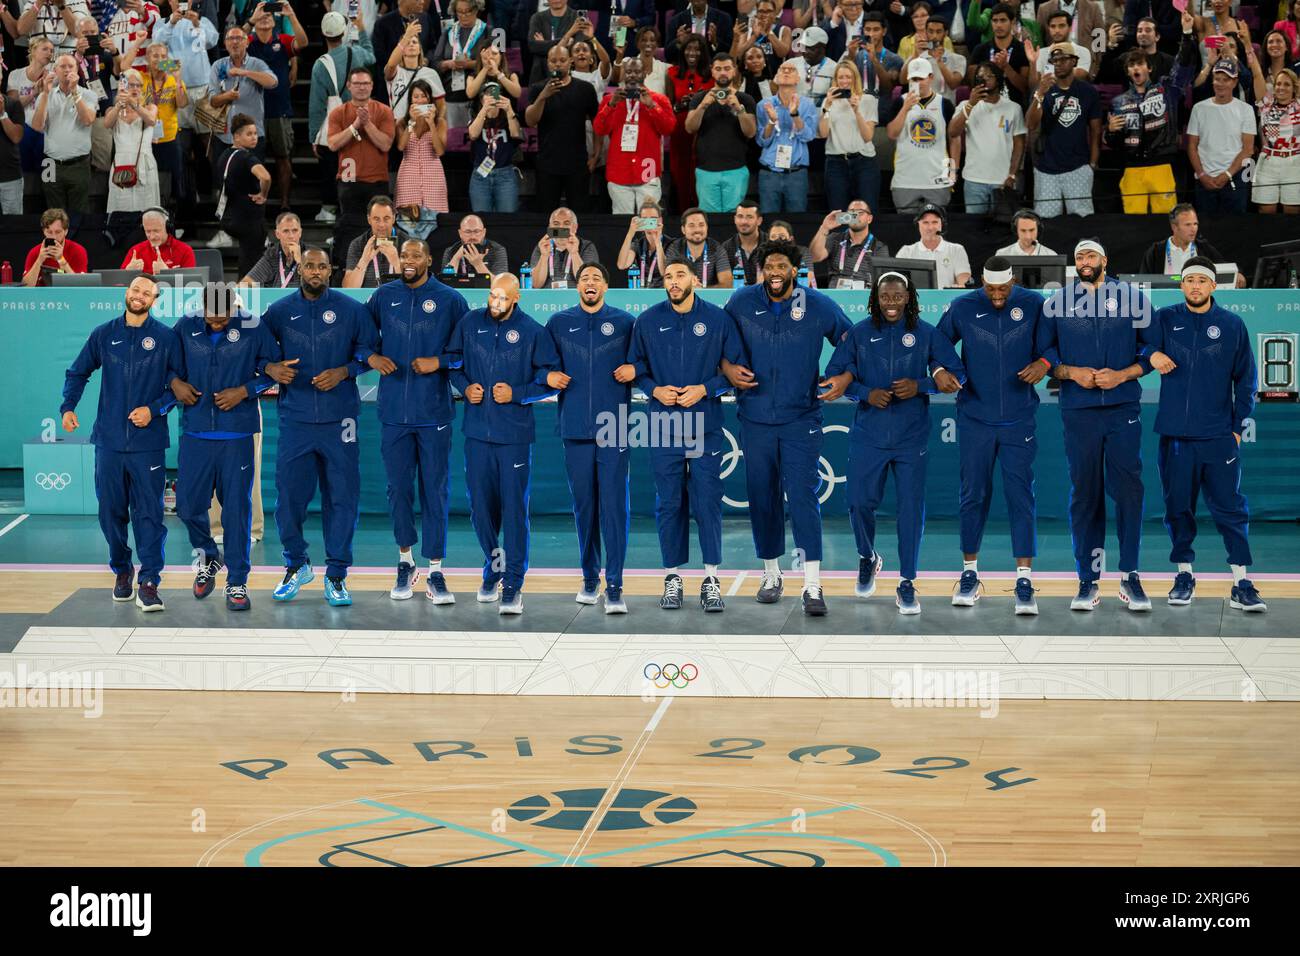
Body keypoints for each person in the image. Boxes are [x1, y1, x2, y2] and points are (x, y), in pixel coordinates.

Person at [721, 237, 854, 615]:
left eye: (783, 266)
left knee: (802, 498)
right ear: (761, 269)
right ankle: (771, 573)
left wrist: (841, 377)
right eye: (770, 266)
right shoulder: (742, 301)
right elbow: (719, 344)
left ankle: (812, 584)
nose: (776, 273)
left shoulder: (816, 304)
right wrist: (728, 369)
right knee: (762, 497)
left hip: (801, 418)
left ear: (795, 270)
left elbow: (849, 339)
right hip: (755, 417)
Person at [823, 270, 964, 614]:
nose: (891, 303)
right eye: (885, 297)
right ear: (875, 299)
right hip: (868, 436)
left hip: (910, 437)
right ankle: (867, 556)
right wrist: (863, 393)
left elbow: (957, 374)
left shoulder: (926, 334)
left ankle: (907, 583)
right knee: (858, 502)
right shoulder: (858, 334)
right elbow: (832, 378)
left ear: (908, 298)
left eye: (897, 297)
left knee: (910, 510)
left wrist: (922, 385)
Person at [1143, 256, 1265, 612]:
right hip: (1176, 437)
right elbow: (1139, 346)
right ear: (1182, 285)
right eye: (1189, 280)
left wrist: (1237, 428)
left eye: (1202, 281)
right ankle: (1184, 575)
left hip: (1217, 437)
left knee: (1230, 509)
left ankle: (1241, 581)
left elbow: (1246, 381)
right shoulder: (1165, 319)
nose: (1195, 286)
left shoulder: (1231, 325)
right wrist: (1151, 354)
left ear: (1214, 286)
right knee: (1178, 508)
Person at [626, 257, 746, 613]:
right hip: (663, 426)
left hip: (704, 426)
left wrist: (705, 389)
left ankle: (711, 579)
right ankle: (672, 577)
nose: (674, 282)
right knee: (669, 503)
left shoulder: (718, 319)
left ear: (695, 278)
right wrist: (653, 390)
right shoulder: (647, 321)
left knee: (707, 501)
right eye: (668, 277)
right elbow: (637, 369)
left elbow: (735, 371)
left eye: (680, 275)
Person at [1040, 239, 1154, 612]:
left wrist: (1121, 376)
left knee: (1129, 491)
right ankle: (1088, 581)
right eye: (1078, 258)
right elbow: (1045, 354)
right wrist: (1070, 372)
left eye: (1090, 256)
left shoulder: (1133, 298)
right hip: (1079, 409)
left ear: (1105, 260)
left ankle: (1129, 576)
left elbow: (1150, 352)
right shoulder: (1057, 301)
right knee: (1085, 493)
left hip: (1122, 409)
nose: (1084, 262)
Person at [262, 247, 380, 607]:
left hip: (340, 419)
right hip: (295, 418)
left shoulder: (351, 310)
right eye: (309, 265)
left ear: (331, 270)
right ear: (300, 269)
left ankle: (337, 574)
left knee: (341, 498)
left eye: (322, 266)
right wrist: (271, 370)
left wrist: (344, 372)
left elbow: (370, 351)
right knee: (288, 501)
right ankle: (296, 564)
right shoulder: (279, 312)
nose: (315, 271)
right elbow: (259, 353)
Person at [937, 256, 1050, 615]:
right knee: (973, 495)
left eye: (1003, 289)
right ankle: (970, 574)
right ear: (981, 283)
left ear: (1013, 281)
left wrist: (1045, 363)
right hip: (975, 417)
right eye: (990, 289)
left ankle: (1024, 580)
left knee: (1021, 496)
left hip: (1019, 418)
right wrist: (945, 370)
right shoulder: (963, 306)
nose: (997, 295)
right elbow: (937, 342)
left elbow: (1056, 343)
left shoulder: (1034, 303)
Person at [60, 275, 180, 612]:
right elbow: (77, 372)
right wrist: (68, 406)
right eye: (135, 289)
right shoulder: (104, 334)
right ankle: (123, 570)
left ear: (154, 299)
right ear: (127, 293)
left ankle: (150, 581)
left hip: (149, 444)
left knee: (150, 515)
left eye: (147, 292)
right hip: (109, 443)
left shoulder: (166, 338)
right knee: (110, 514)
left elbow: (180, 387)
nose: (139, 295)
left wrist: (154, 409)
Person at [448, 273, 561, 614]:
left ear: (516, 299)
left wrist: (518, 395)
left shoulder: (533, 332)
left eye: (502, 297)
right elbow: (452, 362)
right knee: (481, 510)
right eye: (491, 296)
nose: (495, 303)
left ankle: (513, 582)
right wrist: (465, 387)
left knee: (514, 510)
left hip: (514, 437)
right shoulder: (469, 323)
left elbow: (551, 381)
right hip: (476, 435)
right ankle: (492, 566)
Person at [364, 238, 469, 604]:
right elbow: (361, 339)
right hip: (393, 413)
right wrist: (371, 358)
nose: (408, 261)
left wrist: (438, 363)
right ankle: (405, 562)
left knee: (435, 491)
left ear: (429, 259)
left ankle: (436, 570)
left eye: (415, 255)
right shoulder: (383, 296)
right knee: (398, 490)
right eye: (404, 255)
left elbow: (463, 351)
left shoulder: (451, 300)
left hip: (434, 413)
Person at [167, 292, 280, 612]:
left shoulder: (253, 327)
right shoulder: (186, 327)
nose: (216, 322)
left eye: (222, 317)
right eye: (211, 317)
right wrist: (174, 382)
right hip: (196, 432)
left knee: (236, 511)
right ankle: (208, 555)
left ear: (234, 308)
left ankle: (237, 582)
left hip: (238, 433)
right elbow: (166, 365)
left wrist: (243, 391)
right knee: (187, 506)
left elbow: (272, 369)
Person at [543, 262, 638, 612]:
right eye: (584, 278)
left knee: (614, 508)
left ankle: (614, 585)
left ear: (606, 287)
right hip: (575, 429)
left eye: (596, 278)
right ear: (577, 287)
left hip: (614, 429)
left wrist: (635, 369)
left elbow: (644, 362)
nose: (590, 283)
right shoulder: (558, 323)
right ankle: (589, 579)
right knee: (585, 508)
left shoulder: (626, 323)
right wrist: (550, 377)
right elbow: (542, 366)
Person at [1105, 10, 1198, 214]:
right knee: (1133, 226)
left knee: (1166, 223)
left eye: (1140, 64)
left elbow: (1183, 67)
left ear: (1149, 68)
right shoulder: (1119, 102)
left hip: (1162, 166)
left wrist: (1187, 32)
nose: (1136, 68)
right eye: (1131, 65)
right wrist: (1110, 131)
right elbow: (1113, 143)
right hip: (1131, 169)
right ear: (1127, 71)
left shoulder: (1166, 91)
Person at [308, 10, 376, 226]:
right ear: (344, 32)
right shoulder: (356, 53)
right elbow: (371, 56)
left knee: (330, 168)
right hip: (358, 118)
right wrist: (363, 28)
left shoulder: (320, 64)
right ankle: (351, 211)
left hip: (333, 124)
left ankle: (328, 209)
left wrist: (313, 135)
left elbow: (317, 104)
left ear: (324, 34)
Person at [326, 67, 396, 266]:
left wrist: (367, 124)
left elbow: (385, 144)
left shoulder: (384, 111)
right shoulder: (339, 113)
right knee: (349, 228)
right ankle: (347, 268)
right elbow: (332, 144)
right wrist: (355, 125)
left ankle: (382, 267)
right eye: (357, 83)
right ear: (349, 86)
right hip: (349, 182)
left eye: (366, 83)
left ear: (372, 86)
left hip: (377, 182)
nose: (361, 87)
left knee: (380, 227)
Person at [1026, 44, 1102, 217]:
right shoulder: (1043, 89)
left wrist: (1092, 163)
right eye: (1054, 60)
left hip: (1078, 167)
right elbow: (1030, 124)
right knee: (1046, 222)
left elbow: (1095, 130)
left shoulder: (1088, 92)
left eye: (1063, 59)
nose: (1058, 63)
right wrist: (1040, 93)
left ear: (1074, 61)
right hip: (1046, 168)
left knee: (1082, 220)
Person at [594, 55, 676, 213]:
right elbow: (599, 129)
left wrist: (652, 106)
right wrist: (611, 105)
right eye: (629, 71)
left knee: (649, 224)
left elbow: (669, 129)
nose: (632, 75)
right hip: (619, 173)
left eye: (637, 71)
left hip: (648, 172)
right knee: (622, 225)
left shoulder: (659, 99)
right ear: (623, 73)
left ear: (644, 73)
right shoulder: (610, 100)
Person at [525, 44, 599, 213]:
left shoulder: (585, 88)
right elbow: (530, 120)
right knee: (546, 214)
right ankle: (549, 241)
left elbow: (597, 124)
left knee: (579, 214)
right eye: (553, 61)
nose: (557, 64)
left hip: (577, 164)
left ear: (570, 62)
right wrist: (543, 97)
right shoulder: (538, 88)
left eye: (562, 60)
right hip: (548, 163)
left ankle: (578, 241)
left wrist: (596, 154)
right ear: (548, 63)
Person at [247, 2, 306, 213]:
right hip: (253, 111)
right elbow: (234, 42)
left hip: (279, 108)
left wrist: (291, 15)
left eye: (269, 14)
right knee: (254, 160)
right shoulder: (249, 41)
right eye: (261, 14)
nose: (265, 17)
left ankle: (284, 202)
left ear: (275, 21)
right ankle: (255, 201)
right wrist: (252, 19)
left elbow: (303, 42)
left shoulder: (282, 40)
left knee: (283, 157)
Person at [684, 52, 757, 214]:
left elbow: (751, 132)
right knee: (709, 218)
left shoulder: (745, 99)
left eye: (727, 68)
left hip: (736, 170)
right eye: (718, 68)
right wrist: (703, 106)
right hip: (706, 170)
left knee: (735, 218)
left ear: (734, 71)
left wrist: (739, 109)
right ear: (712, 71)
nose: (723, 72)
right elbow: (690, 127)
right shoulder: (699, 98)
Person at [949, 62, 1024, 215]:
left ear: (999, 79)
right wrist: (970, 104)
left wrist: (1012, 174)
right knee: (973, 229)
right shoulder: (966, 105)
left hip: (1002, 181)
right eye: (980, 77)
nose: (985, 80)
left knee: (1003, 228)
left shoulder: (1013, 108)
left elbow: (1019, 143)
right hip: (974, 180)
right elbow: (953, 132)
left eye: (989, 76)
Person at [887, 59, 957, 213]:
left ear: (931, 77)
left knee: (936, 226)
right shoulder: (900, 102)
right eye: (914, 79)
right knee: (905, 229)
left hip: (937, 179)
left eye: (921, 78)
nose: (918, 83)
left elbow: (954, 139)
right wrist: (905, 108)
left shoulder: (944, 104)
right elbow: (892, 134)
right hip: (905, 179)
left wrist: (953, 170)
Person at [31, 53, 96, 212]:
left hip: (79, 163)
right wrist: (45, 94)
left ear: (77, 70)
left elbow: (87, 120)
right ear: (55, 71)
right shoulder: (44, 96)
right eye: (62, 66)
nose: (67, 70)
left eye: (71, 66)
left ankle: (73, 238)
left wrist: (75, 92)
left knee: (79, 212)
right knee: (53, 211)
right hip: (50, 163)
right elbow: (37, 127)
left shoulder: (89, 95)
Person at [819, 59, 880, 214]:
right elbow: (823, 133)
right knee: (839, 214)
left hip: (864, 162)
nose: (845, 81)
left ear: (855, 78)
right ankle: (842, 239)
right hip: (836, 163)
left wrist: (856, 110)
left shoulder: (868, 100)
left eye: (848, 77)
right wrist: (827, 108)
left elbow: (868, 136)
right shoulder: (829, 102)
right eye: (841, 77)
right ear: (835, 80)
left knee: (866, 212)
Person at [755, 60, 817, 213]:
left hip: (796, 174)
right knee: (768, 221)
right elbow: (762, 141)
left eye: (791, 70)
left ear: (798, 79)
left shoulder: (808, 104)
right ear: (775, 78)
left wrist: (795, 115)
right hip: (769, 174)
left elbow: (808, 136)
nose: (787, 72)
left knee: (797, 221)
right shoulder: (764, 105)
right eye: (783, 69)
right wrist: (771, 121)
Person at [215, 113, 272, 277]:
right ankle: (247, 298)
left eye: (255, 133)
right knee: (251, 266)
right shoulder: (247, 157)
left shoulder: (225, 155)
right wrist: (263, 194)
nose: (254, 137)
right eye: (249, 134)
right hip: (248, 219)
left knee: (247, 259)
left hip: (228, 216)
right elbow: (265, 177)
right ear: (236, 136)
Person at [394, 79, 449, 240]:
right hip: (408, 176)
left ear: (429, 100)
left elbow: (439, 150)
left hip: (433, 175)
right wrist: (411, 122)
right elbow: (401, 147)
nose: (419, 100)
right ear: (410, 101)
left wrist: (431, 124)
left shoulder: (440, 122)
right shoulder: (402, 123)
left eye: (423, 96)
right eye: (415, 97)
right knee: (407, 221)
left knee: (434, 225)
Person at [666, 33, 713, 212]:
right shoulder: (672, 73)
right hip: (680, 132)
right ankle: (683, 214)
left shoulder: (711, 75)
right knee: (681, 176)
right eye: (688, 48)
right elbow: (669, 105)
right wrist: (680, 104)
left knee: (700, 174)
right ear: (683, 51)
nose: (692, 53)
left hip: (704, 131)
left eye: (697, 49)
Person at [139, 41, 188, 212]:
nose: (159, 59)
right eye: (155, 56)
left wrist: (178, 79)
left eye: (163, 56)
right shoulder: (141, 80)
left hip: (169, 138)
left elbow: (182, 104)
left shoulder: (174, 80)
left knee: (175, 182)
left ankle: (175, 220)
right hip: (145, 139)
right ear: (147, 58)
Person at [1136, 204, 1239, 281]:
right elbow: (1143, 280)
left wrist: (1239, 274)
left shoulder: (1203, 248)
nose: (1193, 229)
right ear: (1174, 227)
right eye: (1188, 225)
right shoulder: (1156, 251)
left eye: (1195, 224)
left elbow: (1225, 267)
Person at [430, 0, 491, 128]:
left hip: (480, 95)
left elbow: (498, 62)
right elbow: (435, 63)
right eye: (459, 12)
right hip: (451, 94)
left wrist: (469, 64)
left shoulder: (490, 31)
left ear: (476, 10)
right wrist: (448, 64)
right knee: (454, 140)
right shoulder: (448, 32)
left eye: (467, 11)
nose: (463, 16)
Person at [466, 78, 523, 214]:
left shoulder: (510, 117)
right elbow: (473, 134)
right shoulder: (477, 117)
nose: (492, 96)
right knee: (481, 218)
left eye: (495, 93)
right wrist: (485, 109)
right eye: (487, 94)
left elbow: (516, 133)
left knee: (506, 219)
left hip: (505, 175)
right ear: (481, 99)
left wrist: (509, 110)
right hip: (480, 175)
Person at [1250, 66, 1300, 214]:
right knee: (1266, 212)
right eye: (1278, 84)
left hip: (1295, 163)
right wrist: (1248, 46)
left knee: (1292, 214)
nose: (1281, 87)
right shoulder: (1266, 104)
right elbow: (1257, 74)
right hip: (1268, 163)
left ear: (1293, 88)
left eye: (1286, 84)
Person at [811, 200, 891, 289]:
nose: (855, 216)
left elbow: (884, 282)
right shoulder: (835, 238)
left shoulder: (879, 247)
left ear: (869, 218)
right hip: (835, 297)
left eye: (860, 212)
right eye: (851, 213)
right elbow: (815, 256)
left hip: (862, 298)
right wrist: (824, 227)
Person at [372, 0, 440, 101]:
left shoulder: (425, 18)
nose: (422, 2)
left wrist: (426, 59)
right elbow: (379, 54)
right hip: (393, 85)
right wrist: (404, 64)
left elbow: (433, 47)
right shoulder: (383, 23)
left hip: (421, 86)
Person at [384, 21, 447, 124]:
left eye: (414, 42)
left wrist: (438, 123)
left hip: (424, 125)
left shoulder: (431, 73)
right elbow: (390, 65)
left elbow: (441, 104)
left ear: (419, 49)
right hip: (399, 124)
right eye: (407, 43)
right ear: (401, 50)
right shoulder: (395, 71)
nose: (411, 45)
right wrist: (407, 36)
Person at [967, 3, 1030, 104]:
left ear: (1012, 22)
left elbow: (1025, 88)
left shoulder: (1022, 50)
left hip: (1015, 107)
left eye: (1003, 20)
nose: (998, 25)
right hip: (985, 105)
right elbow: (972, 83)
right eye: (995, 21)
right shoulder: (980, 50)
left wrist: (1006, 67)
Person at [896, 203, 971, 288]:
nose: (930, 227)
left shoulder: (957, 249)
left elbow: (964, 278)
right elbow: (898, 282)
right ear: (918, 225)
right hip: (916, 300)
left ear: (942, 224)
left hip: (947, 300)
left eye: (935, 222)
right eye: (925, 222)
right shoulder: (906, 252)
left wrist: (962, 284)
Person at [344, 195, 409, 289]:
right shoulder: (357, 244)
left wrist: (396, 264)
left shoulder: (407, 244)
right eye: (376, 219)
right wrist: (364, 261)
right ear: (369, 219)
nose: (381, 225)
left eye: (386, 218)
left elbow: (414, 288)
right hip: (368, 300)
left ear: (394, 218)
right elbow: (348, 289)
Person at [530, 207, 600, 288]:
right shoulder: (542, 247)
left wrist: (574, 253)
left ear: (575, 228)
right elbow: (536, 285)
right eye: (556, 224)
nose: (561, 228)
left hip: (576, 297)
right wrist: (544, 256)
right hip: (548, 297)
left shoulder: (587, 246)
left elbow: (589, 283)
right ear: (550, 228)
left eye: (566, 224)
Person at [666, 208, 734, 289]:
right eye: (692, 225)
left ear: (707, 227)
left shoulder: (717, 249)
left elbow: (727, 284)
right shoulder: (675, 248)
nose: (697, 230)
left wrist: (702, 290)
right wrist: (689, 289)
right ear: (683, 230)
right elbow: (668, 282)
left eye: (701, 225)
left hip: (709, 298)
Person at [22, 208, 88, 287]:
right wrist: (39, 260)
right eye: (49, 232)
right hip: (43, 297)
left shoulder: (78, 251)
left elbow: (80, 287)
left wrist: (61, 260)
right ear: (44, 231)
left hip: (68, 296)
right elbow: (25, 287)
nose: (54, 237)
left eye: (58, 232)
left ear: (66, 231)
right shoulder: (35, 252)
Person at [122, 207, 197, 274]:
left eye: (156, 231)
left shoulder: (185, 250)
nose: (152, 237)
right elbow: (119, 284)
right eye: (148, 231)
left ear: (167, 227)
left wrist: (167, 274)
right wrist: (128, 274)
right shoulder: (135, 251)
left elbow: (190, 285)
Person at [616, 199, 669, 288]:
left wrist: (658, 243)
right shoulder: (637, 244)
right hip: (641, 295)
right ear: (639, 221)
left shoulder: (670, 243)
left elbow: (665, 271)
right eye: (644, 219)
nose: (648, 222)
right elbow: (622, 265)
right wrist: (630, 233)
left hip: (662, 294)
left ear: (660, 220)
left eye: (652, 218)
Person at [241, 210, 302, 287]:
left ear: (300, 233)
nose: (291, 236)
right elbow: (246, 283)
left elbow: (316, 286)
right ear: (277, 234)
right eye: (286, 231)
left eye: (295, 231)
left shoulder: (312, 254)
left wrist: (300, 261)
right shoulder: (272, 255)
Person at [527, 0, 583, 83]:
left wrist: (544, 44)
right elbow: (534, 46)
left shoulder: (577, 17)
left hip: (570, 77)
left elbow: (576, 48)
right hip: (540, 76)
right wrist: (566, 39)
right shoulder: (537, 18)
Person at [440, 214, 509, 282]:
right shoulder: (450, 250)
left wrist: (478, 264)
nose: (473, 236)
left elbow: (500, 284)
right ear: (460, 233)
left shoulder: (497, 250)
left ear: (484, 232)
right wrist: (456, 258)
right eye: (468, 232)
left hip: (487, 292)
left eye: (477, 231)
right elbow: (445, 283)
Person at [665, 0, 734, 62]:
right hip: (685, 68)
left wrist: (715, 42)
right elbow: (668, 55)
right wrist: (679, 42)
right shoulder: (676, 20)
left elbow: (729, 51)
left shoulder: (723, 18)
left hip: (712, 67)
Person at [784, 25, 836, 107]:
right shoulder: (790, 65)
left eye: (811, 48)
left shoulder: (834, 68)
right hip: (795, 115)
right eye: (804, 47)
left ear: (823, 47)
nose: (806, 51)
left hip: (822, 116)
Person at [721, 199, 765, 285]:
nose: (744, 221)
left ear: (759, 221)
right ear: (735, 219)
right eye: (740, 216)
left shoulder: (770, 244)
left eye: (749, 217)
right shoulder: (726, 247)